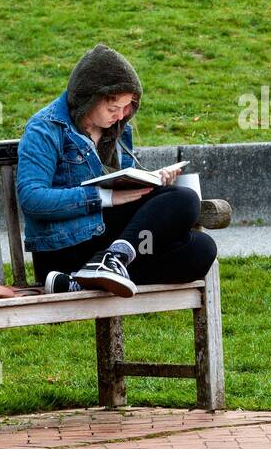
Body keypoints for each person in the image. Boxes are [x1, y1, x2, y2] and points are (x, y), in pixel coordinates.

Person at [16, 43, 218, 297]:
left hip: (107, 240)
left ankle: (97, 272)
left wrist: (152, 182)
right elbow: (32, 199)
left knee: (201, 249)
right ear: (88, 99)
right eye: (113, 109)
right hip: (65, 248)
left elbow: (124, 186)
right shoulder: (46, 128)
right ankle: (105, 263)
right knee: (184, 199)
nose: (121, 116)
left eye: (126, 108)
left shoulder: (118, 131)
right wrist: (105, 197)